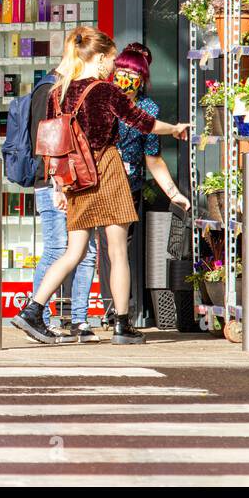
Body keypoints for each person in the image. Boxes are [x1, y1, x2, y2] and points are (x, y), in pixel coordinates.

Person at [12, 27, 189, 345]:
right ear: (99, 58)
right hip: (106, 168)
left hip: (75, 175)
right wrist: (175, 128)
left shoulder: (59, 92)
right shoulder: (106, 92)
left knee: (73, 251)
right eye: (112, 59)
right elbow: (142, 122)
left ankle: (33, 310)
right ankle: (122, 324)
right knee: (118, 251)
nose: (114, 66)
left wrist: (57, 185)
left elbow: (53, 143)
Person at [93, 42, 191, 318]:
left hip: (130, 186)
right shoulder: (103, 99)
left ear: (142, 79)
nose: (126, 78)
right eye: (122, 70)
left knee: (121, 249)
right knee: (106, 249)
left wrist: (173, 194)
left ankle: (123, 311)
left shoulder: (148, 107)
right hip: (101, 184)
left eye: (133, 75)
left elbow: (153, 158)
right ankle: (111, 311)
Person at [27, 68, 100, 342]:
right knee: (57, 249)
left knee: (86, 251)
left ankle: (79, 320)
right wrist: (57, 182)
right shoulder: (49, 90)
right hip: (52, 181)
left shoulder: (73, 92)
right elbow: (43, 142)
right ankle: (39, 318)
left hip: (77, 181)